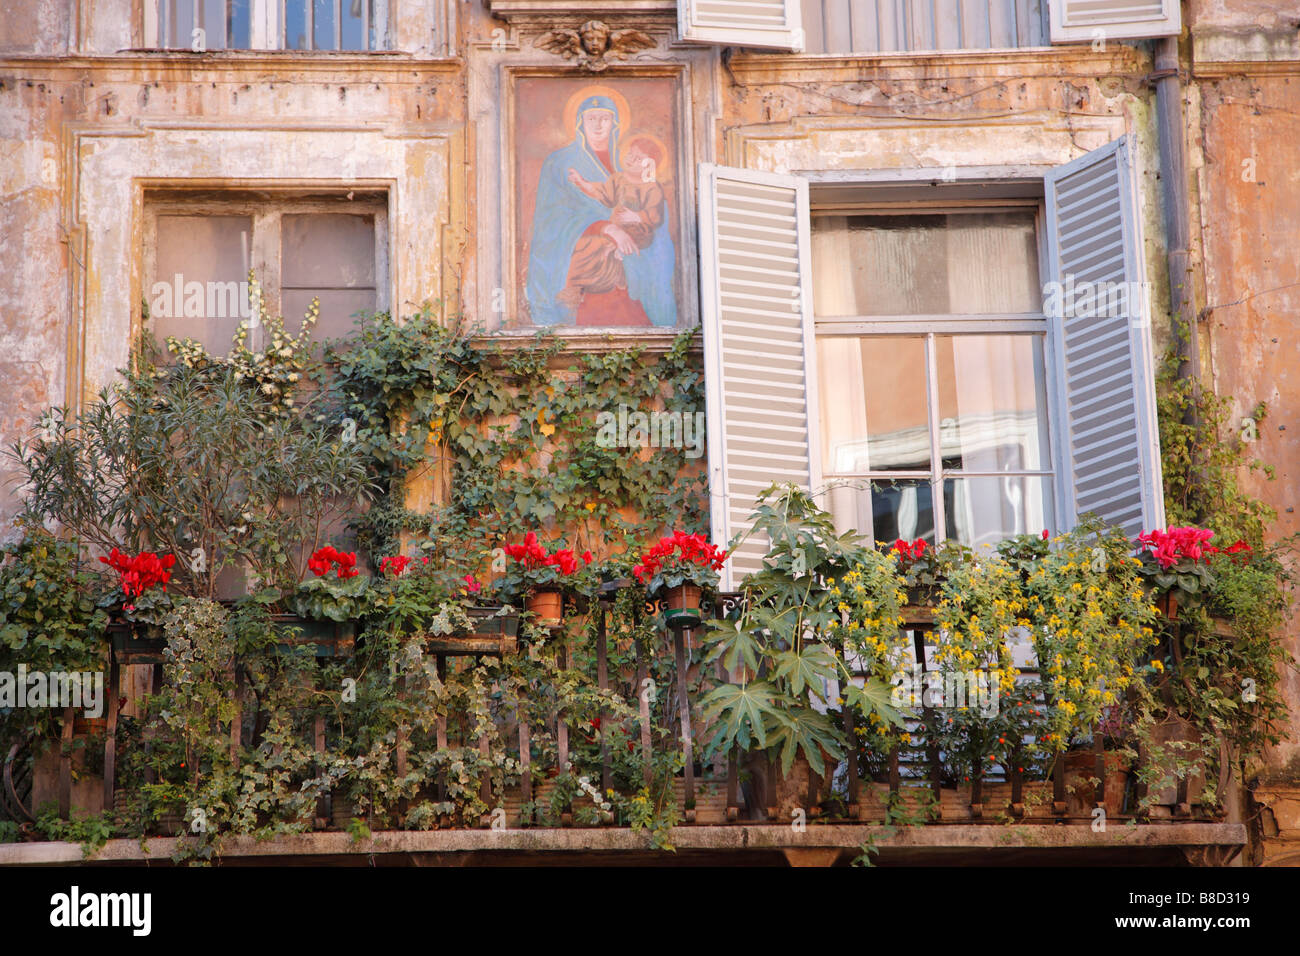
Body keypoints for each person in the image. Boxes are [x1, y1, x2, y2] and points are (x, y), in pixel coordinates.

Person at [524, 94, 676, 327]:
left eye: (604, 118)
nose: (597, 125)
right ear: (579, 123)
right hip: (587, 270)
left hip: (632, 266)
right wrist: (607, 228)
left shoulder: (629, 160)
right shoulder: (559, 162)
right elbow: (551, 219)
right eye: (591, 118)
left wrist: (636, 222)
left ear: (614, 123)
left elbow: (655, 211)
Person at [558, 137, 666, 310]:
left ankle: (587, 278)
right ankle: (575, 287)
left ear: (649, 166)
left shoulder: (651, 187)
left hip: (639, 233)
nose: (631, 159)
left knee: (600, 246)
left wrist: (637, 216)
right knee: (586, 246)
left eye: (638, 158)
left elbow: (655, 213)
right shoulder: (618, 179)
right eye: (630, 154)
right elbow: (604, 194)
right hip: (618, 229)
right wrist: (582, 182)